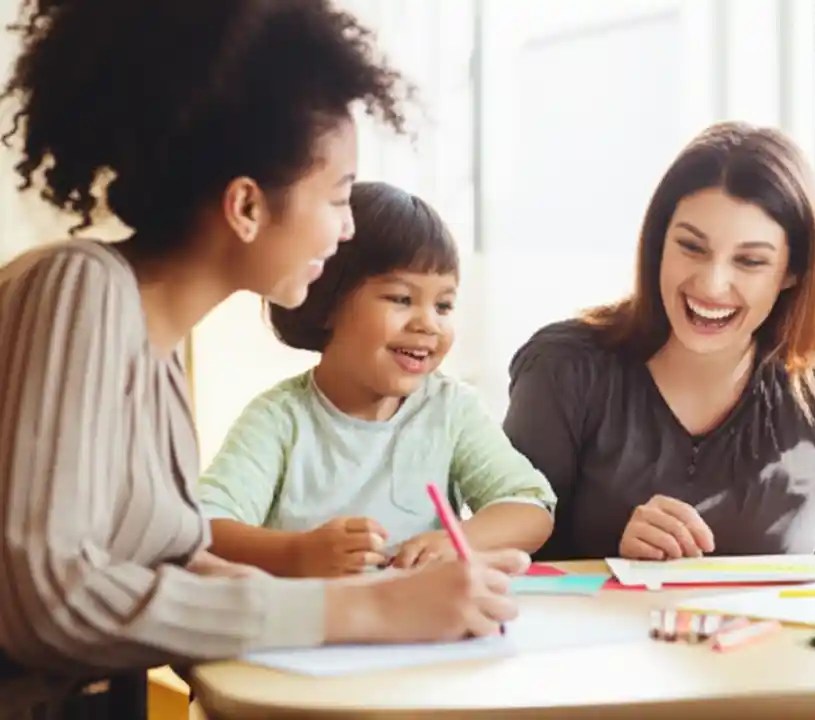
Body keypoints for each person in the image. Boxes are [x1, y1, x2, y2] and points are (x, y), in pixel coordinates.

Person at [0, 1, 524, 717]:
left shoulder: (152, 353)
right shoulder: (77, 288)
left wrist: (378, 598)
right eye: (338, 198)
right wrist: (366, 613)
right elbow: (49, 599)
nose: (345, 230)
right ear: (247, 206)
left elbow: (169, 567)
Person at [504, 121, 815, 562]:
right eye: (692, 248)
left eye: (750, 261)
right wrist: (612, 563)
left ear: (792, 272)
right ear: (659, 243)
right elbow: (507, 576)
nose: (713, 285)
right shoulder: (563, 370)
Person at [198, 181, 556, 577]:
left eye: (444, 305)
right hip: (317, 625)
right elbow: (206, 527)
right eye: (402, 299)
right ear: (327, 300)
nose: (428, 324)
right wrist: (297, 553)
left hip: (421, 628)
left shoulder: (451, 409)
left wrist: (455, 540)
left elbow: (530, 508)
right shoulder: (279, 419)